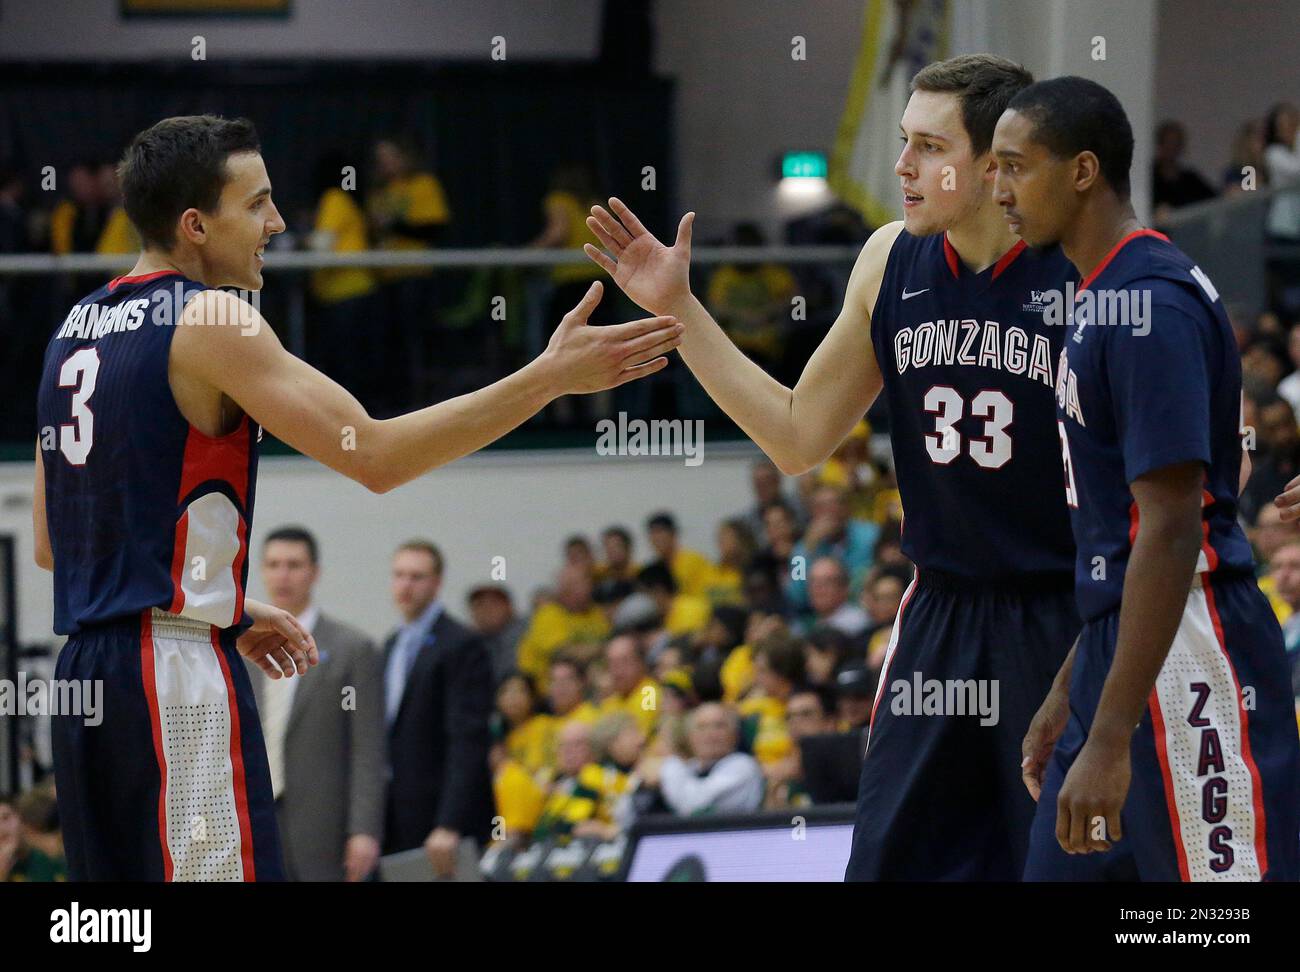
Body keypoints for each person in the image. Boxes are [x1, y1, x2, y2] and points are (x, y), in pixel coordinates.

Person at [33, 114, 680, 882]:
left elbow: (51, 543)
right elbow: (373, 455)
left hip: (80, 682)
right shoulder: (209, 318)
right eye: (258, 204)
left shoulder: (73, 328)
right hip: (166, 679)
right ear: (196, 224)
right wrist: (549, 377)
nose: (277, 222)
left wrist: (218, 608)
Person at [584, 54, 1080, 880]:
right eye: (902, 142)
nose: (901, 167)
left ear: (997, 163)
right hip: (941, 617)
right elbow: (796, 434)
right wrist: (680, 309)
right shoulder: (891, 259)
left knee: (1063, 864)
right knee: (889, 862)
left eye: (928, 146)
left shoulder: (1083, 271)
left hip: (1060, 614)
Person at [994, 75, 1300, 880]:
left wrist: (1107, 735)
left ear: (1083, 171)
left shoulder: (1148, 307)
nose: (998, 191)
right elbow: (1119, 536)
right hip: (1122, 650)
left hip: (1193, 649)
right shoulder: (1102, 297)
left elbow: (1171, 530)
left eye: (1015, 167)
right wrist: (1075, 685)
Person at [246, 526, 385, 882]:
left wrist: (364, 830)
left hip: (324, 826)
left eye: (294, 565)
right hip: (254, 817)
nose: (283, 575)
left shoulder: (352, 648)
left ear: (314, 572)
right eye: (274, 564)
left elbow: (367, 748)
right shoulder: (242, 648)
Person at [381, 540, 493, 878]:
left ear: (437, 582)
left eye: (417, 576)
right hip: (399, 812)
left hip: (442, 816)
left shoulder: (461, 644)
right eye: (399, 575)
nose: (406, 585)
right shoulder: (392, 644)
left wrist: (450, 822)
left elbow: (468, 738)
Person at [467, 583, 528, 683]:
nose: (486, 611)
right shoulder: (470, 643)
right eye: (479, 605)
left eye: (493, 604)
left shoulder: (528, 630)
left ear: (509, 607)